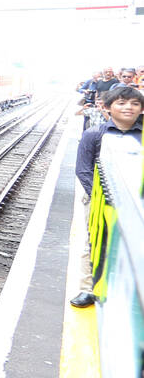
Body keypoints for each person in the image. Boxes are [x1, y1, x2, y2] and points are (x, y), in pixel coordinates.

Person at [70, 84, 144, 307]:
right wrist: (100, 196)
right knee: (94, 242)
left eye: (135, 103)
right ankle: (88, 289)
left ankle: (128, 291)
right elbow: (83, 169)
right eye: (121, 103)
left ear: (142, 109)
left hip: (137, 201)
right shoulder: (94, 134)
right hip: (99, 200)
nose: (128, 108)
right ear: (108, 108)